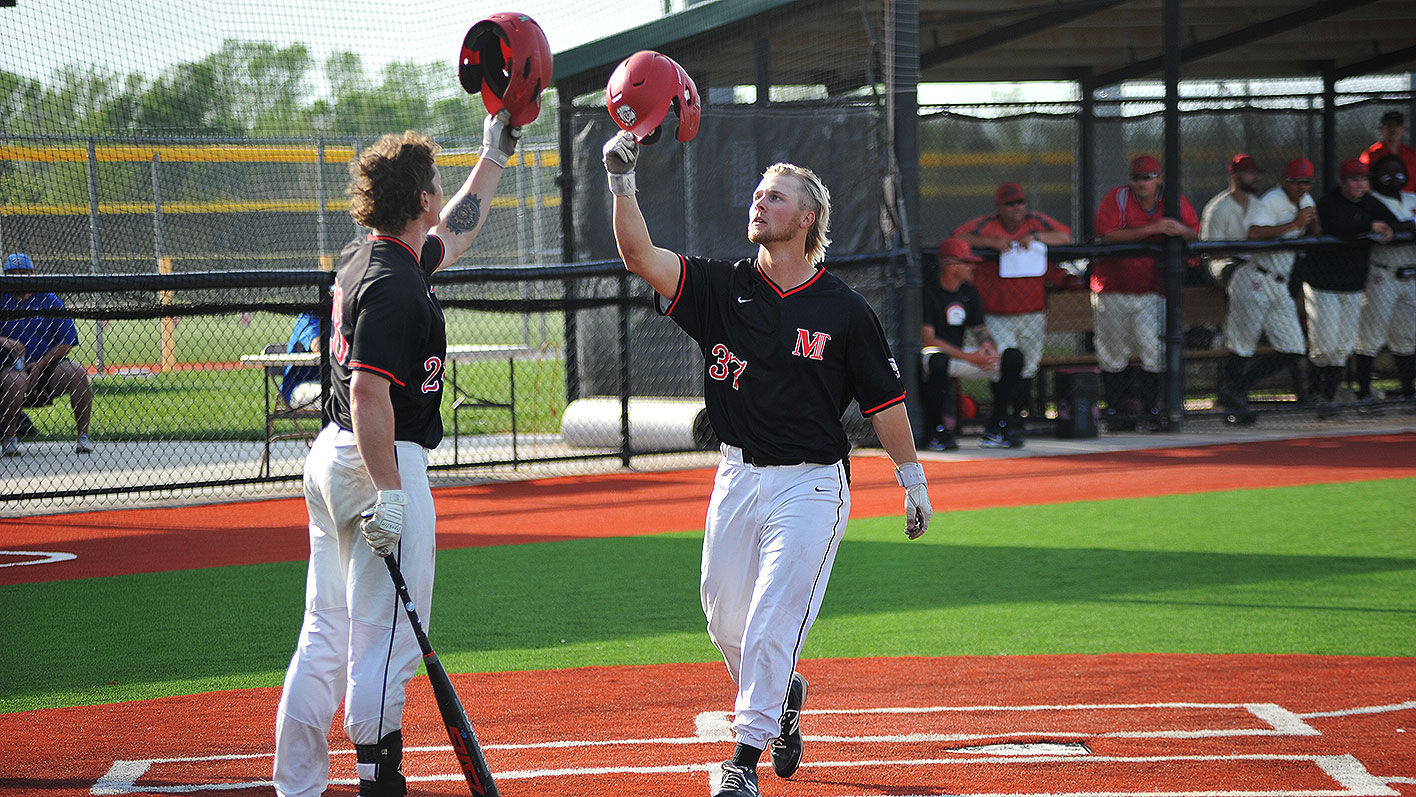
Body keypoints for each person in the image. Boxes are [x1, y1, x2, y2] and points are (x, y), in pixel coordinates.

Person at [602, 131, 933, 797]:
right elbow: (639, 253)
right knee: (723, 619)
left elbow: (884, 401)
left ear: (806, 218)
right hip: (736, 474)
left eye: (775, 195)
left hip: (812, 485)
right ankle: (783, 695)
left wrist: (912, 477)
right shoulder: (721, 287)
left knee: (771, 620)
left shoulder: (843, 308)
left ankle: (742, 762)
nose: (759, 201)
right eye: (757, 193)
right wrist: (620, 180)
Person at [272, 111, 522, 797]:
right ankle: (380, 776)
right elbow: (369, 392)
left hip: (331, 457)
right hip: (377, 456)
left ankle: (296, 784)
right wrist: (390, 493)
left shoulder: (370, 256)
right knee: (386, 635)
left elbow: (454, 233)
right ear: (418, 199)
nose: (442, 195)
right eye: (436, 185)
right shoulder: (396, 282)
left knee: (325, 625)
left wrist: (492, 156)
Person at [952, 182, 1075, 440]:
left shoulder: (1036, 221)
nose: (1016, 208)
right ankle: (1002, 416)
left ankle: (1020, 414)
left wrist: (1036, 237)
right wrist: (992, 242)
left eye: (1020, 202)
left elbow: (1066, 235)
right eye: (1009, 204)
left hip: (1032, 310)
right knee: (1003, 364)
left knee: (1028, 364)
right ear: (999, 207)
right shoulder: (987, 225)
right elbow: (959, 236)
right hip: (997, 313)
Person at [1092, 154, 1200, 430]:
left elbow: (1195, 233)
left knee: (1154, 350)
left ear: (1159, 178)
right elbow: (1107, 233)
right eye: (1137, 178)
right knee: (1113, 352)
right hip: (1113, 288)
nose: (1141, 183)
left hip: (1154, 290)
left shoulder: (1173, 200)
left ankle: (1153, 410)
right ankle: (1116, 411)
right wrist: (1153, 229)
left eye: (1148, 178)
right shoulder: (1117, 198)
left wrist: (1180, 230)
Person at [1215, 157, 1319, 424]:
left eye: (1307, 182)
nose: (1302, 188)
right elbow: (1255, 233)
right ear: (1286, 181)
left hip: (1280, 283)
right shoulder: (1271, 201)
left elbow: (1315, 234)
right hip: (1255, 279)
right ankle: (1235, 401)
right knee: (1242, 346)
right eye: (1297, 183)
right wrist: (1294, 225)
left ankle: (1236, 388)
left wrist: (1311, 224)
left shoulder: (1306, 201)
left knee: (1293, 348)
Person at [919, 237, 1026, 449]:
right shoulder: (928, 291)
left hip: (962, 356)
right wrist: (970, 357)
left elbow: (980, 330)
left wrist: (988, 349)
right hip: (935, 354)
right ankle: (937, 431)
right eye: (967, 262)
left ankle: (997, 427)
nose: (973, 267)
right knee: (938, 361)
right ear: (951, 266)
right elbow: (928, 339)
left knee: (1013, 357)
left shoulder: (969, 291)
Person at [1308, 158, 1394, 418]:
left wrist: (1386, 226)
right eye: (1354, 180)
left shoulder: (1368, 202)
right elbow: (1337, 227)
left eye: (1363, 179)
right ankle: (1316, 393)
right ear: (1342, 182)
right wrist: (1369, 226)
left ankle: (1328, 397)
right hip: (1325, 284)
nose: (1360, 184)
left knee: (1344, 345)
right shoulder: (1328, 203)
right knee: (1325, 345)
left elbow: (1391, 219)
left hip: (1354, 285)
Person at [0, 252, 93, 456]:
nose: (18, 278)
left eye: (23, 273)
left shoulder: (49, 299)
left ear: (33, 273)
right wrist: (5, 341)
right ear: (5, 275)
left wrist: (40, 364)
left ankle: (83, 438)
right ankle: (10, 439)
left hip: (45, 364)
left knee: (77, 373)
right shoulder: (1, 298)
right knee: (14, 382)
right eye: (12, 274)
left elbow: (66, 341)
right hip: (8, 365)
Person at [1353, 153, 1416, 403]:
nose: (1394, 176)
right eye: (1387, 171)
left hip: (1410, 275)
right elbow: (1382, 232)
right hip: (1382, 274)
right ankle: (1364, 393)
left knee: (1407, 336)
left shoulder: (1413, 198)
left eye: (1398, 170)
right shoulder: (1370, 201)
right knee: (1370, 335)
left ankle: (1408, 392)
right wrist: (1407, 227)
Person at [1200, 154, 1262, 285]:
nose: (1255, 177)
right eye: (1249, 173)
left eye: (1255, 173)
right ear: (1235, 176)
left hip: (1254, 263)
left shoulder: (1259, 205)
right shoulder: (1218, 207)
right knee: (1234, 271)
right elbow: (1212, 252)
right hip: (1224, 264)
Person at [1359, 110, 1416, 192]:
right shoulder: (1371, 154)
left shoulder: (1412, 154)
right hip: (1381, 200)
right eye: (1389, 125)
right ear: (1381, 129)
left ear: (1403, 129)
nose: (1393, 129)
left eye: (1397, 125)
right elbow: (1364, 181)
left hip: (1409, 201)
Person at [281, 312, 322, 409]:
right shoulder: (307, 317)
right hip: (297, 386)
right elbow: (317, 346)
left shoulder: (340, 314)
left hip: (328, 381)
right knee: (341, 395)